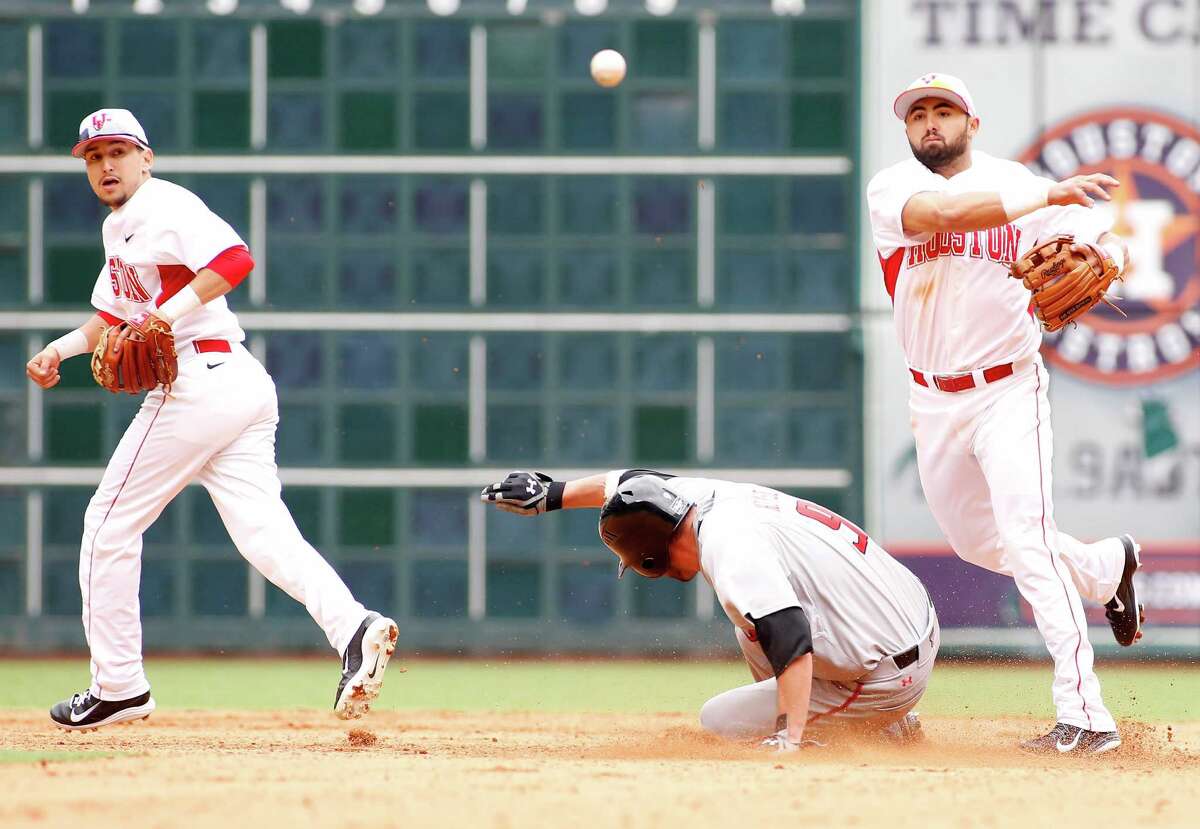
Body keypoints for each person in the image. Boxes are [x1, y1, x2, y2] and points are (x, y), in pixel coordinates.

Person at [26, 108, 398, 732]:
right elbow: (114, 316)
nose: (106, 165)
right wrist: (58, 350)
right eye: (94, 157)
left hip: (197, 383)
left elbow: (233, 260)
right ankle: (355, 628)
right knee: (264, 534)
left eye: (118, 152)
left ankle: (118, 686)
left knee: (107, 525)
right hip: (235, 383)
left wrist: (164, 318)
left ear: (146, 158)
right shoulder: (120, 227)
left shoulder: (166, 205)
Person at [866, 73, 1144, 755]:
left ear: (972, 123)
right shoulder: (893, 188)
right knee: (977, 543)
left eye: (945, 111)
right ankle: (1106, 568)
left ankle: (1087, 715)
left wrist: (1105, 255)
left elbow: (1112, 242)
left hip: (1007, 391)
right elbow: (945, 216)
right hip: (932, 397)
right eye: (918, 115)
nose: (931, 123)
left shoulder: (1014, 182)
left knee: (1027, 538)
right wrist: (1046, 196)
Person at [481, 469, 938, 750]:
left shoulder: (729, 550)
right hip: (908, 612)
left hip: (886, 673)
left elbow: (792, 637)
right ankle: (868, 719)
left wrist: (787, 736)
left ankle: (857, 726)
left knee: (721, 720)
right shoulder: (696, 499)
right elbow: (629, 483)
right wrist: (554, 494)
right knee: (754, 623)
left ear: (651, 559)